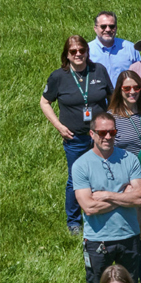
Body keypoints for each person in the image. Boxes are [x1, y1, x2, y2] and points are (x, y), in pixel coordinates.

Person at [73, 110, 141, 283]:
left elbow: (139, 198)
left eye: (112, 132)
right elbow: (88, 207)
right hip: (98, 240)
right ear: (92, 134)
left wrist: (106, 195)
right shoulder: (81, 165)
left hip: (128, 235)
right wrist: (124, 196)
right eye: (102, 133)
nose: (107, 137)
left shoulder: (130, 159)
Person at [44, 36, 115, 233]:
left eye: (81, 50)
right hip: (74, 137)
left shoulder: (98, 70)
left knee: (104, 173)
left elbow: (112, 97)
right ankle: (74, 221)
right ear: (66, 54)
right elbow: (44, 102)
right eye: (73, 51)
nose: (78, 54)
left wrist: (110, 124)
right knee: (76, 177)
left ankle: (104, 211)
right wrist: (59, 126)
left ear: (87, 52)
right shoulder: (59, 76)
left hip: (101, 136)